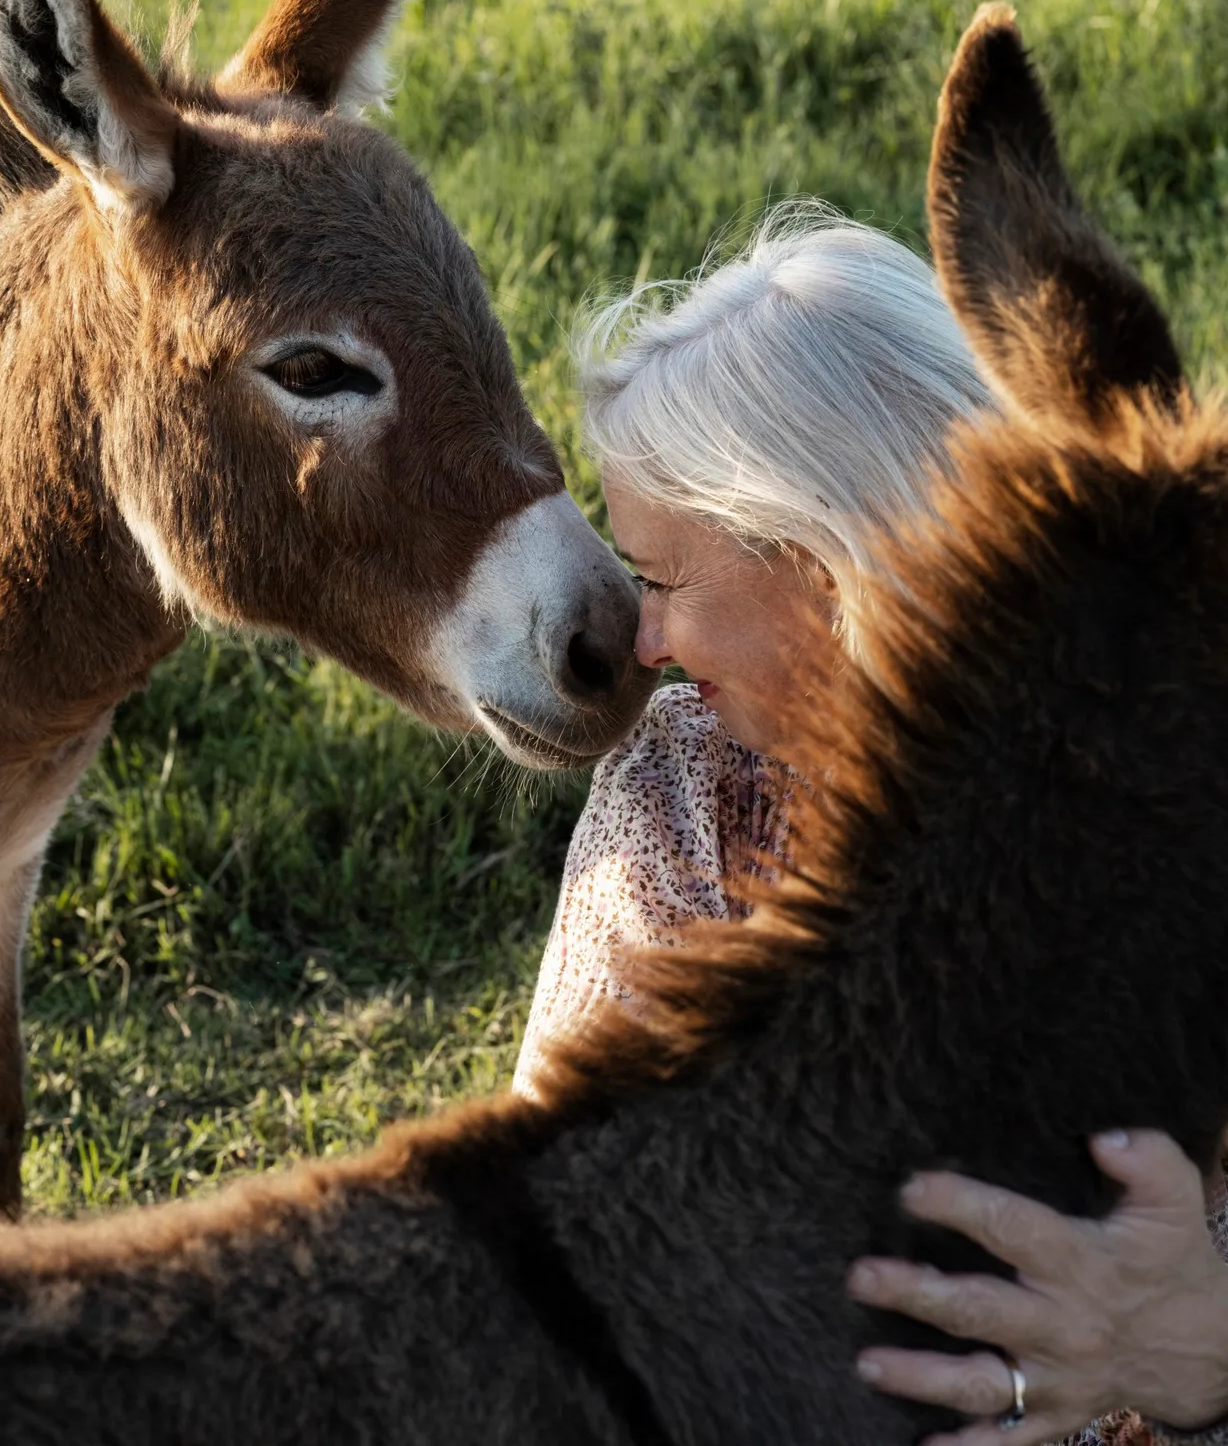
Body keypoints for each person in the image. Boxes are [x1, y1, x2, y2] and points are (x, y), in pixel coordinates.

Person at [513, 203, 1228, 1446]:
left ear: (822, 562)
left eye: (665, 580)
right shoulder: (680, 796)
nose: (644, 641)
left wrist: (1201, 1352)